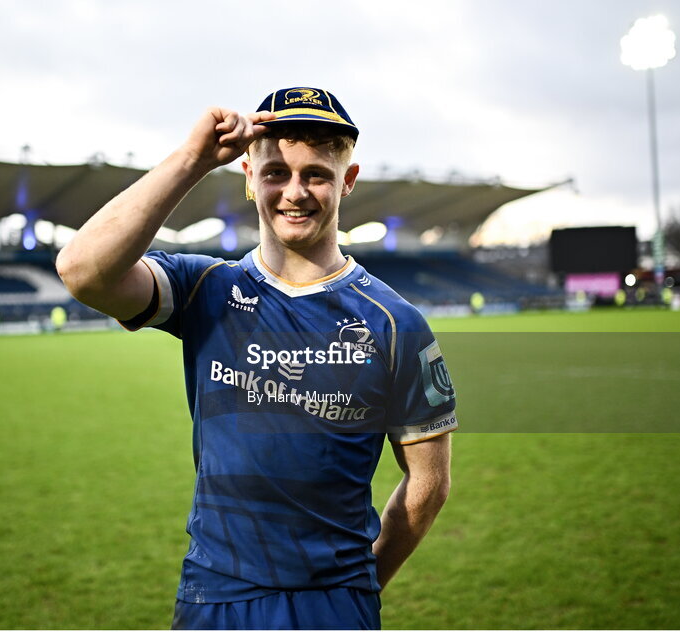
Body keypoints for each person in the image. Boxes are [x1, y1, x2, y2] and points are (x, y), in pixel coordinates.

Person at [57, 87, 456, 630]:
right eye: (275, 173)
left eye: (316, 173)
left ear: (349, 180)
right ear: (248, 177)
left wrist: (360, 587)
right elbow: (83, 271)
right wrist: (194, 160)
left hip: (336, 602)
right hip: (214, 596)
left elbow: (428, 484)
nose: (295, 192)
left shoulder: (394, 323)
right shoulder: (204, 288)